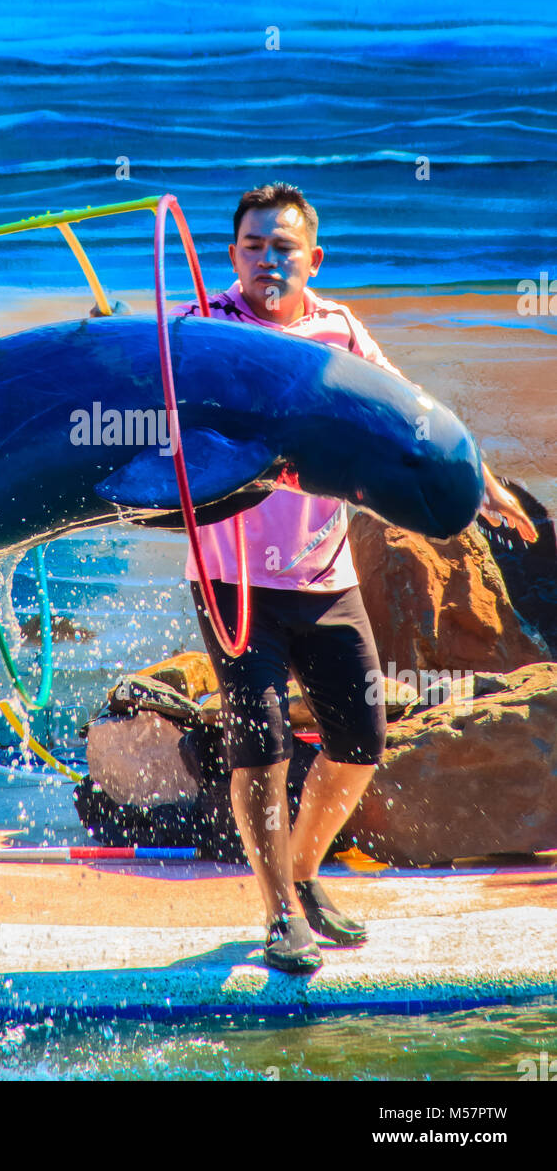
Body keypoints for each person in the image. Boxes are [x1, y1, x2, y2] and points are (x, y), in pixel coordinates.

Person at [173, 182, 538, 973]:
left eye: (284, 247)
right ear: (233, 255)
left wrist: (480, 483)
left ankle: (302, 877)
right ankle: (277, 915)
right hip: (232, 581)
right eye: (253, 247)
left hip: (324, 573)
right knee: (260, 748)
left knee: (361, 742)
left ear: (314, 258)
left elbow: (407, 414)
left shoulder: (339, 328)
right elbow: (158, 407)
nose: (268, 260)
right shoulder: (204, 327)